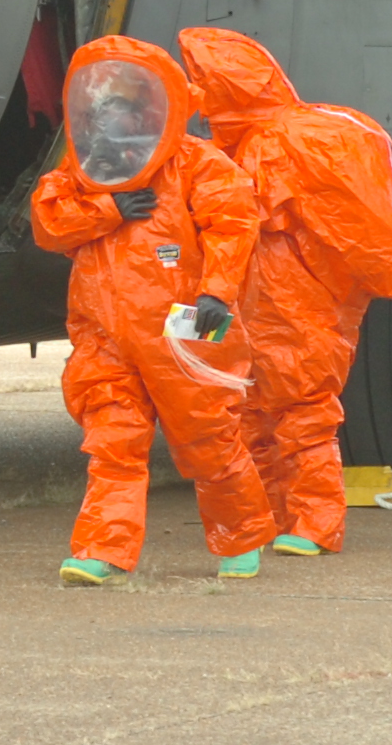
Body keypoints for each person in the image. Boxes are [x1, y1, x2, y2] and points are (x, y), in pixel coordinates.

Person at [177, 27, 392, 558]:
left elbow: (245, 215)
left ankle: (315, 524)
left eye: (202, 86)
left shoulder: (272, 145)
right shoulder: (273, 140)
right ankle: (280, 520)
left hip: (291, 306)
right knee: (261, 416)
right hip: (270, 305)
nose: (196, 101)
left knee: (299, 414)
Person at [32, 35, 279, 583]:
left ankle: (241, 537)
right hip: (105, 333)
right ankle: (101, 552)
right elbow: (48, 223)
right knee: (112, 443)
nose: (112, 122)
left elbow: (234, 223)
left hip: (186, 324)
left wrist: (216, 293)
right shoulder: (85, 172)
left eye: (125, 110)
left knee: (211, 439)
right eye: (103, 111)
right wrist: (107, 209)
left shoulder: (196, 164)